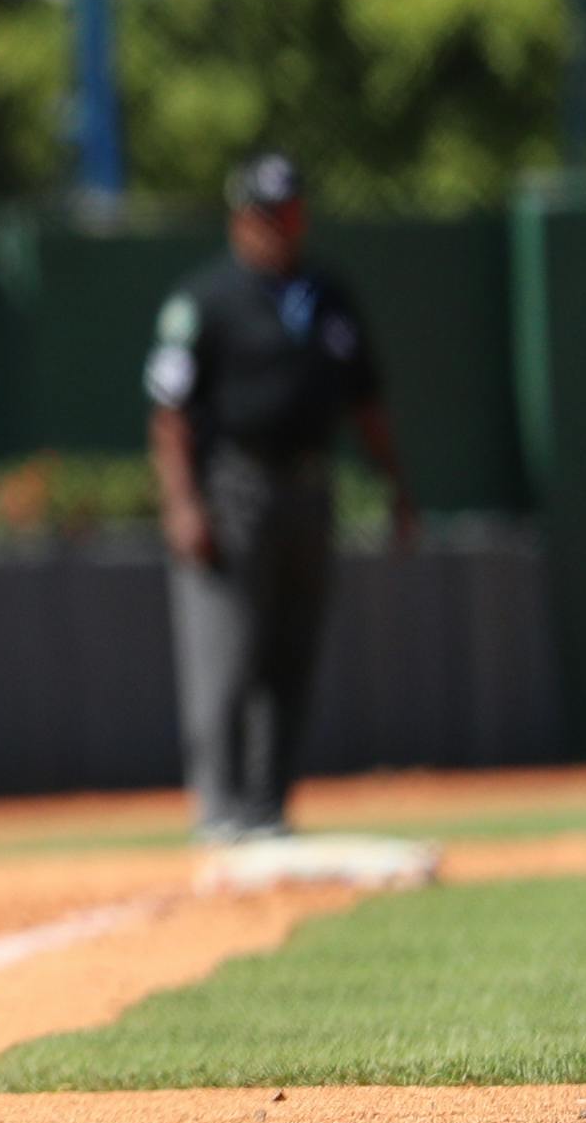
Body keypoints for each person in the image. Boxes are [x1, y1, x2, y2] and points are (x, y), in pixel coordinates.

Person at [147, 151, 416, 842]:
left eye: (291, 212)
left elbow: (366, 400)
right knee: (227, 652)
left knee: (291, 652)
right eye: (268, 214)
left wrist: (396, 484)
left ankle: (268, 808)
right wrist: (183, 504)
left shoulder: (327, 296)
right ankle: (219, 809)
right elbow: (170, 412)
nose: (282, 225)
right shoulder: (206, 299)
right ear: (241, 219)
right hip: (235, 486)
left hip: (311, 485)